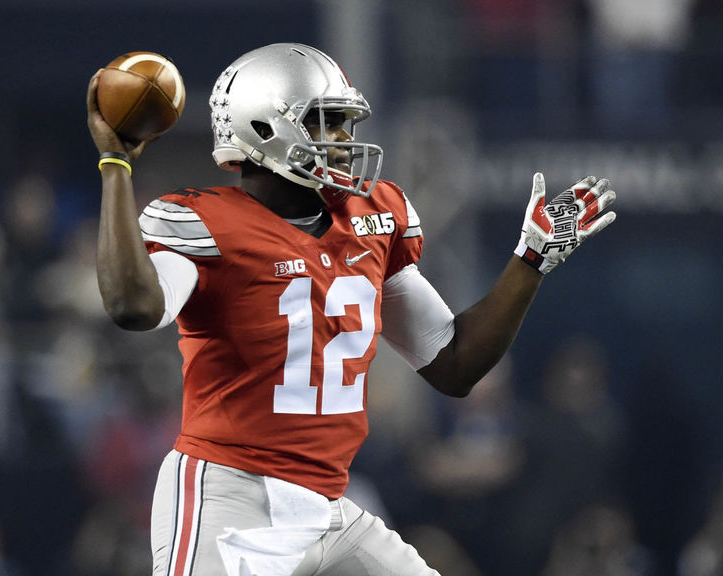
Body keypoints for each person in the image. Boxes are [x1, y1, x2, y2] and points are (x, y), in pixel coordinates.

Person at [86, 42, 616, 576]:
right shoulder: (206, 223)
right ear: (265, 127)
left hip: (330, 505)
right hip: (233, 496)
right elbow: (134, 307)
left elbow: (455, 364)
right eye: (327, 124)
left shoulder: (371, 218)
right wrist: (116, 168)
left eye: (345, 124)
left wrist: (529, 260)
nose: (345, 141)